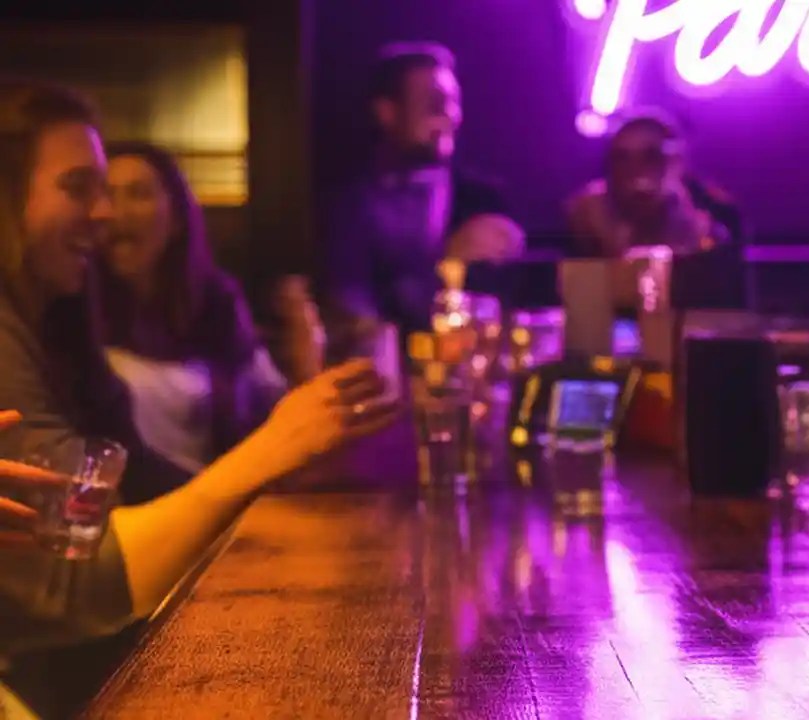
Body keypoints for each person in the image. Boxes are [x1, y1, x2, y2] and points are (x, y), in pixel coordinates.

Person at [0, 78, 398, 714]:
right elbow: (77, 574)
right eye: (81, 188)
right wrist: (269, 452)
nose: (104, 215)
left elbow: (137, 472)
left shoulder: (56, 319)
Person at [100, 142, 324, 474]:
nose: (118, 212)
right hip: (133, 509)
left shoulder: (214, 304)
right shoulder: (78, 317)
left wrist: (305, 359)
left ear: (176, 218)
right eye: (107, 195)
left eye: (138, 194)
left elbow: (278, 416)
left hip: (218, 498)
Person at [325, 41, 525, 334]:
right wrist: (445, 267)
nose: (450, 117)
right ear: (387, 113)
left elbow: (513, 310)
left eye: (454, 103)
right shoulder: (352, 210)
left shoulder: (486, 200)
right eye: (435, 104)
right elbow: (356, 320)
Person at [565, 111, 745, 258]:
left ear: (676, 161)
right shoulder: (588, 214)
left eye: (651, 156)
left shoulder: (712, 214)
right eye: (622, 158)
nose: (635, 168)